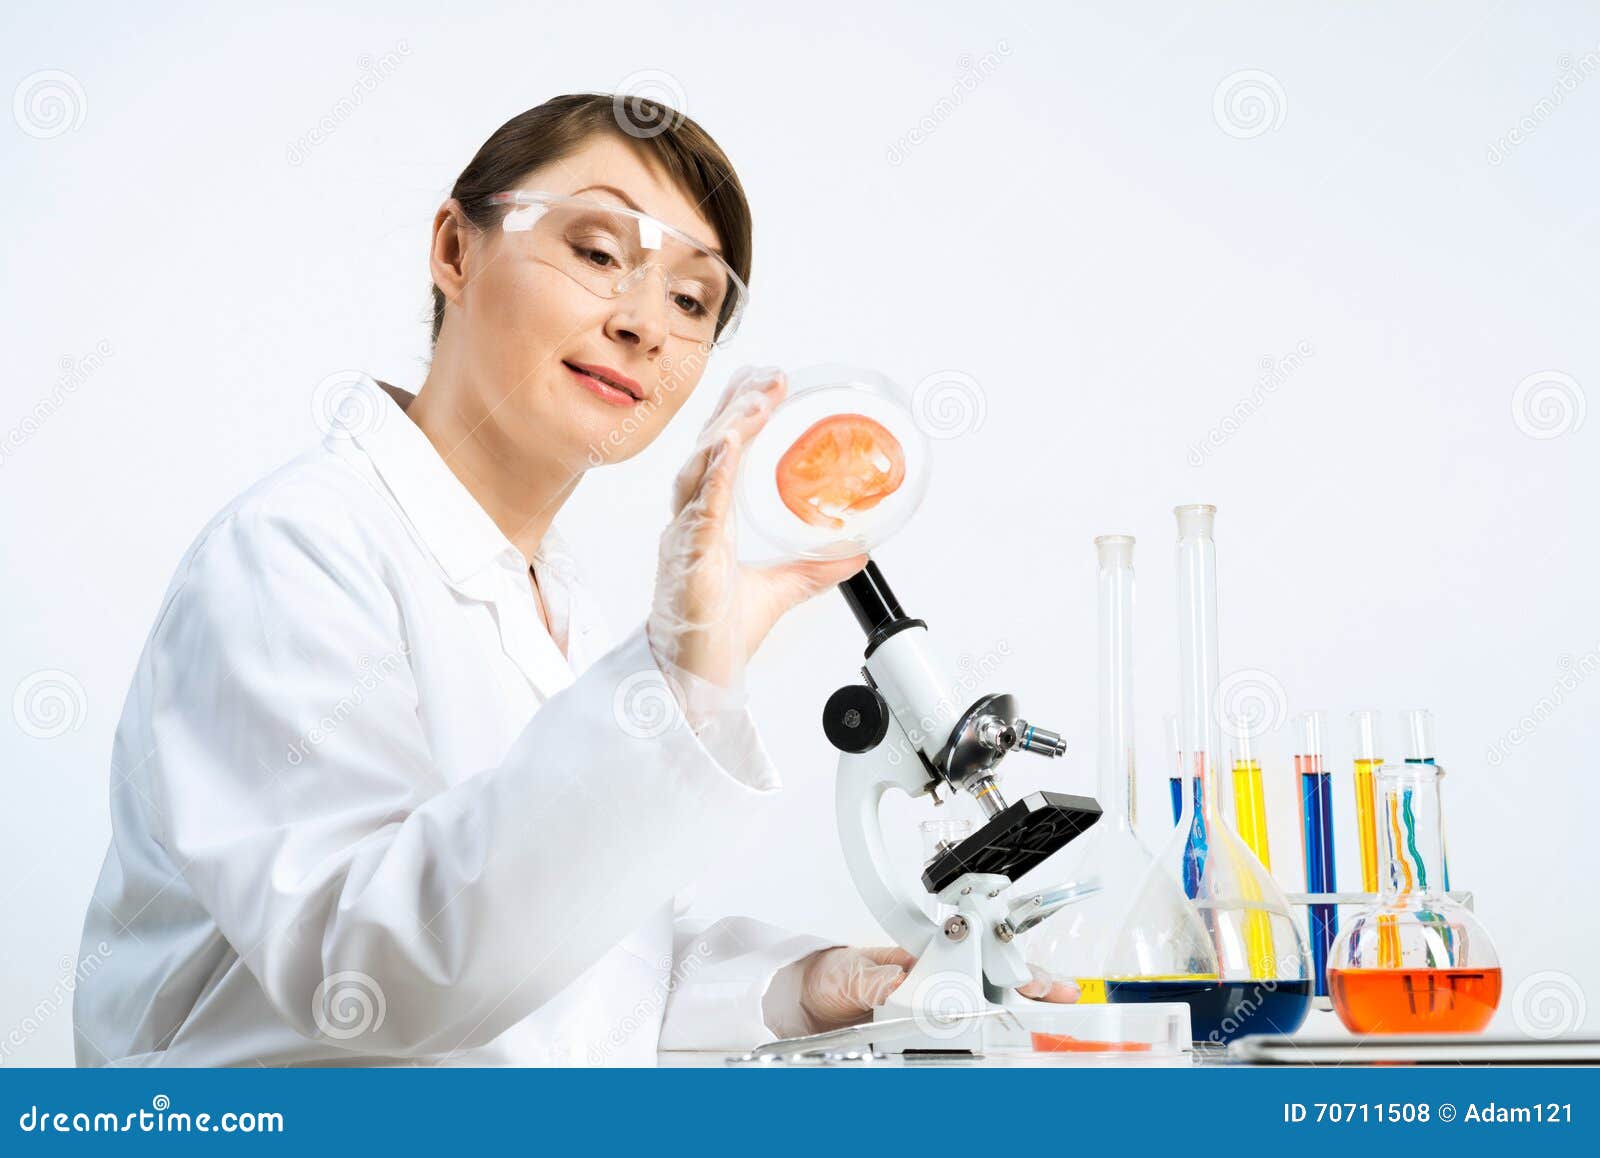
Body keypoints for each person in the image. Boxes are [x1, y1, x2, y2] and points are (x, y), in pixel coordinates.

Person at [73, 93, 1075, 1066]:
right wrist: (671, 674)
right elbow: (372, 970)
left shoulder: (564, 607)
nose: (645, 325)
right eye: (598, 253)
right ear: (455, 251)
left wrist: (813, 985)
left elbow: (585, 973)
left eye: (691, 300)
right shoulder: (294, 551)